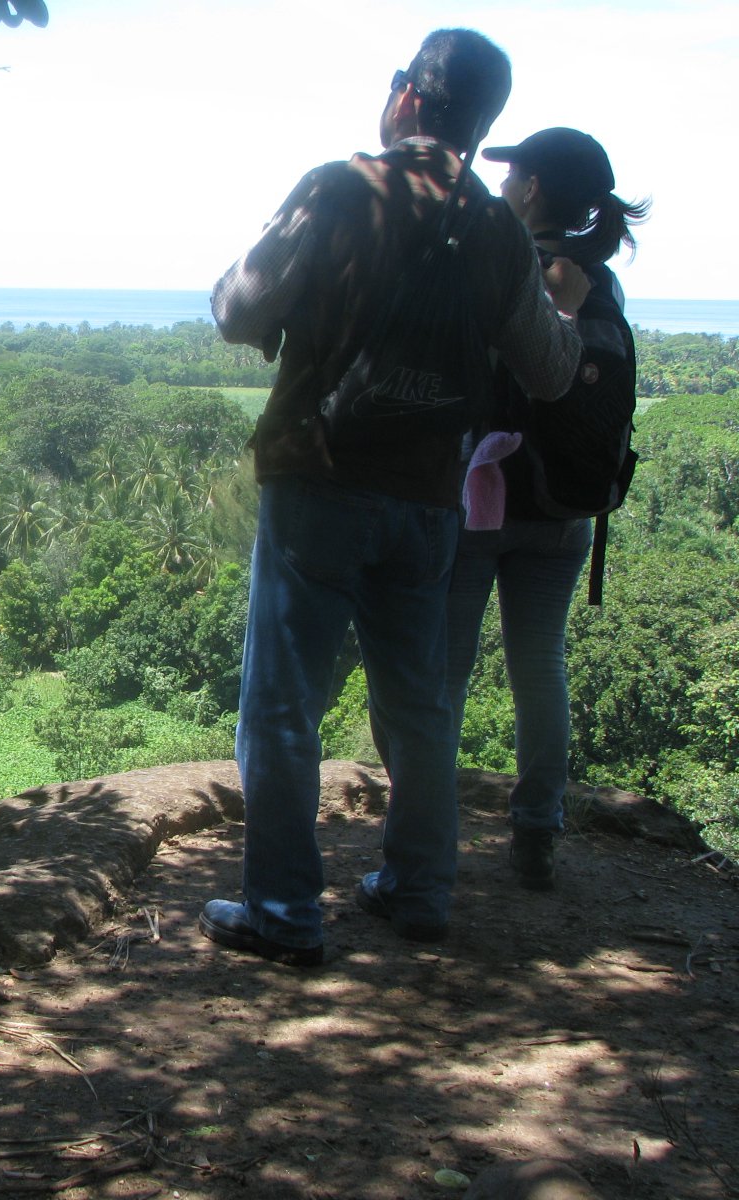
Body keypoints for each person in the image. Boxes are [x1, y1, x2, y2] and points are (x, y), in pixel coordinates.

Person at [202, 28, 590, 966]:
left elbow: (237, 311)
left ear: (409, 98)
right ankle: (419, 889)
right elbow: (548, 369)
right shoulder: (497, 229)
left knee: (285, 705)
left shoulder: (342, 188)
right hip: (429, 500)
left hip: (320, 481)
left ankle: (287, 911)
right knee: (421, 707)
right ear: (482, 119)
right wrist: (566, 305)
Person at [445, 128, 648, 891]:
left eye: (512, 176)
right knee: (540, 670)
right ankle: (536, 833)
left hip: (482, 505)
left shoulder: (508, 265)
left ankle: (429, 830)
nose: (502, 187)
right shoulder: (600, 280)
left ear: (531, 190)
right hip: (566, 512)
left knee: (446, 672)